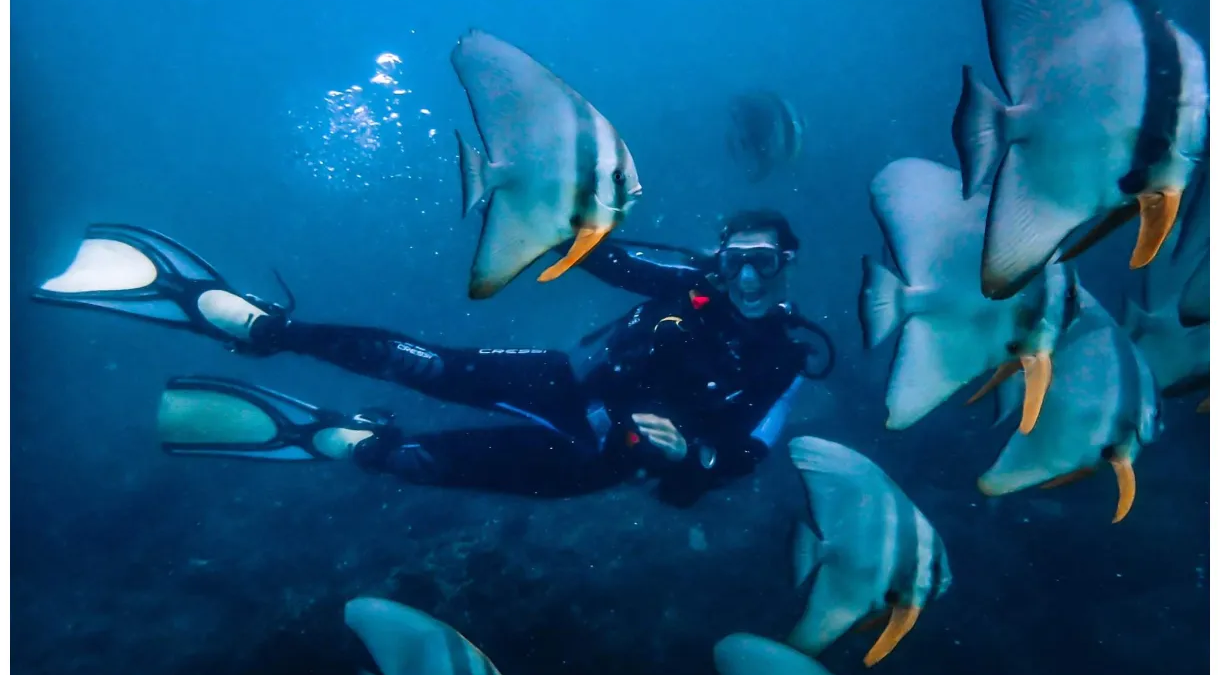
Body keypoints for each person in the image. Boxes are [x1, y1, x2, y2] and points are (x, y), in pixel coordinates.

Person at [34, 210, 833, 506]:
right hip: (565, 381)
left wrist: (686, 452)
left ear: (788, 263)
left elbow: (745, 455)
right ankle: (258, 327)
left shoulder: (786, 360)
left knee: (419, 459)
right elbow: (599, 250)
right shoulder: (690, 280)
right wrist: (539, 200)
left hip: (591, 459)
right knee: (427, 363)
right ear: (718, 259)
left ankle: (344, 442)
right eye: (736, 260)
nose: (749, 277)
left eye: (766, 261)